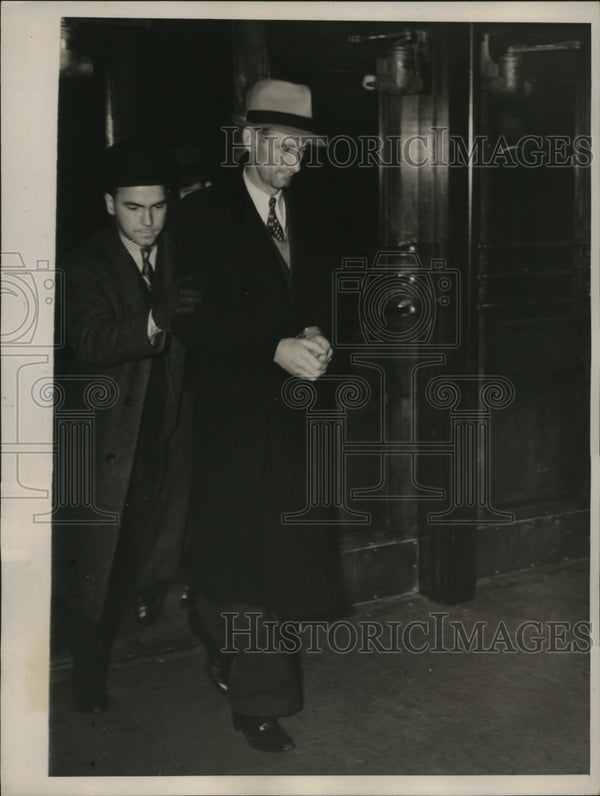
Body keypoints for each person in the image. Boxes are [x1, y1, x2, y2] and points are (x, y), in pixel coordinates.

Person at [173, 79, 347, 752]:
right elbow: (191, 319)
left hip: (293, 416)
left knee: (269, 558)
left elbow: (321, 296)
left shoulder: (314, 211)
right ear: (248, 139)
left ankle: (221, 632)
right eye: (282, 146)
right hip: (230, 417)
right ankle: (260, 704)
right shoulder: (201, 214)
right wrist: (271, 348)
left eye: (304, 149)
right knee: (243, 559)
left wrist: (320, 336)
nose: (294, 162)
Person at [52, 139, 202, 713]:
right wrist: (157, 316)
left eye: (158, 207)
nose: (148, 221)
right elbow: (92, 341)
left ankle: (149, 593)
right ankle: (87, 680)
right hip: (107, 441)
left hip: (167, 426)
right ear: (109, 204)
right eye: (134, 208)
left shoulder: (180, 251)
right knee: (98, 565)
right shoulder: (84, 265)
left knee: (155, 536)